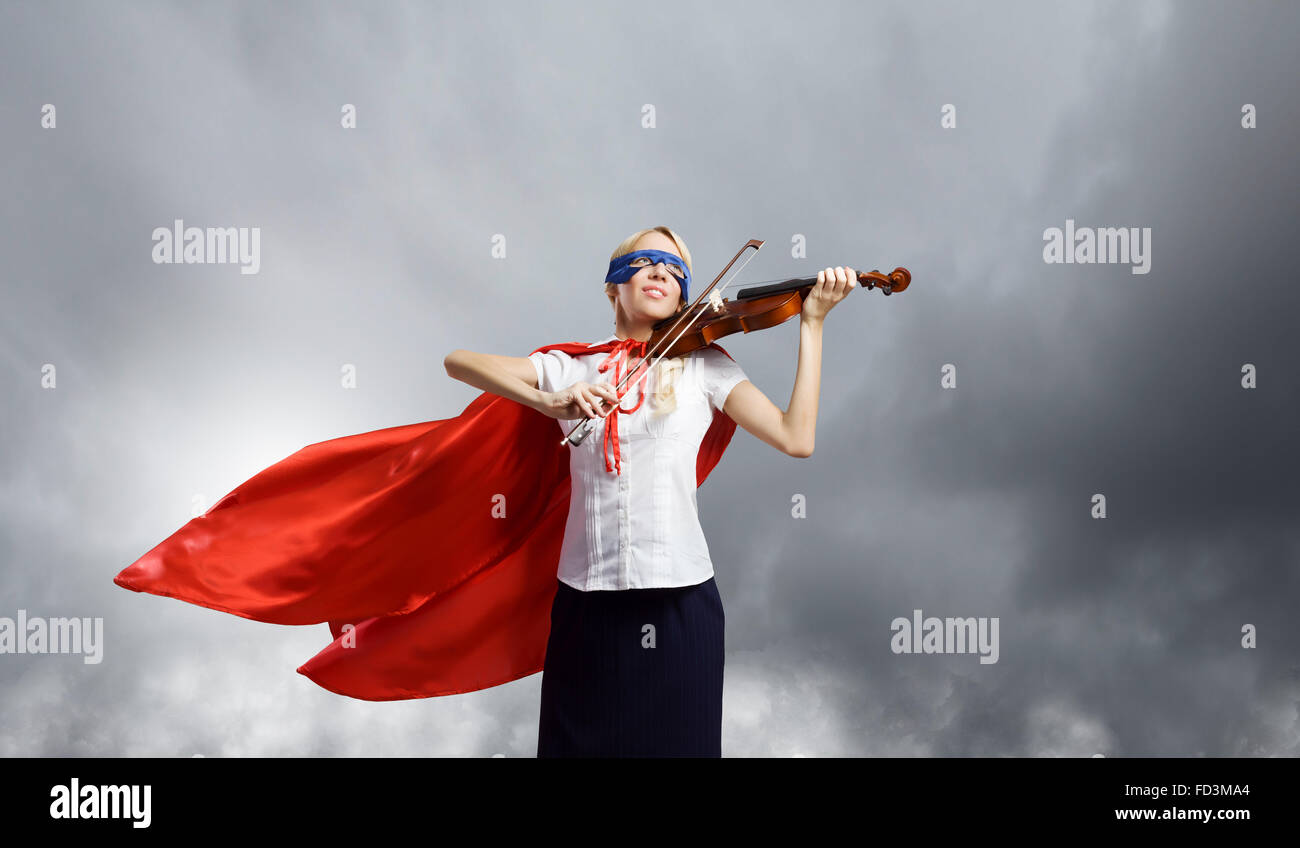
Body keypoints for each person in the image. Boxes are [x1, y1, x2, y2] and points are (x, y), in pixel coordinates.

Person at [443, 225, 857, 756]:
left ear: (686, 293)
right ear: (614, 285)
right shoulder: (570, 365)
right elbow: (458, 362)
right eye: (645, 263)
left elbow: (796, 438)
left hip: (680, 602)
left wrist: (813, 324)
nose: (662, 272)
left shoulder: (705, 367)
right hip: (586, 602)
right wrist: (549, 401)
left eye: (676, 269)